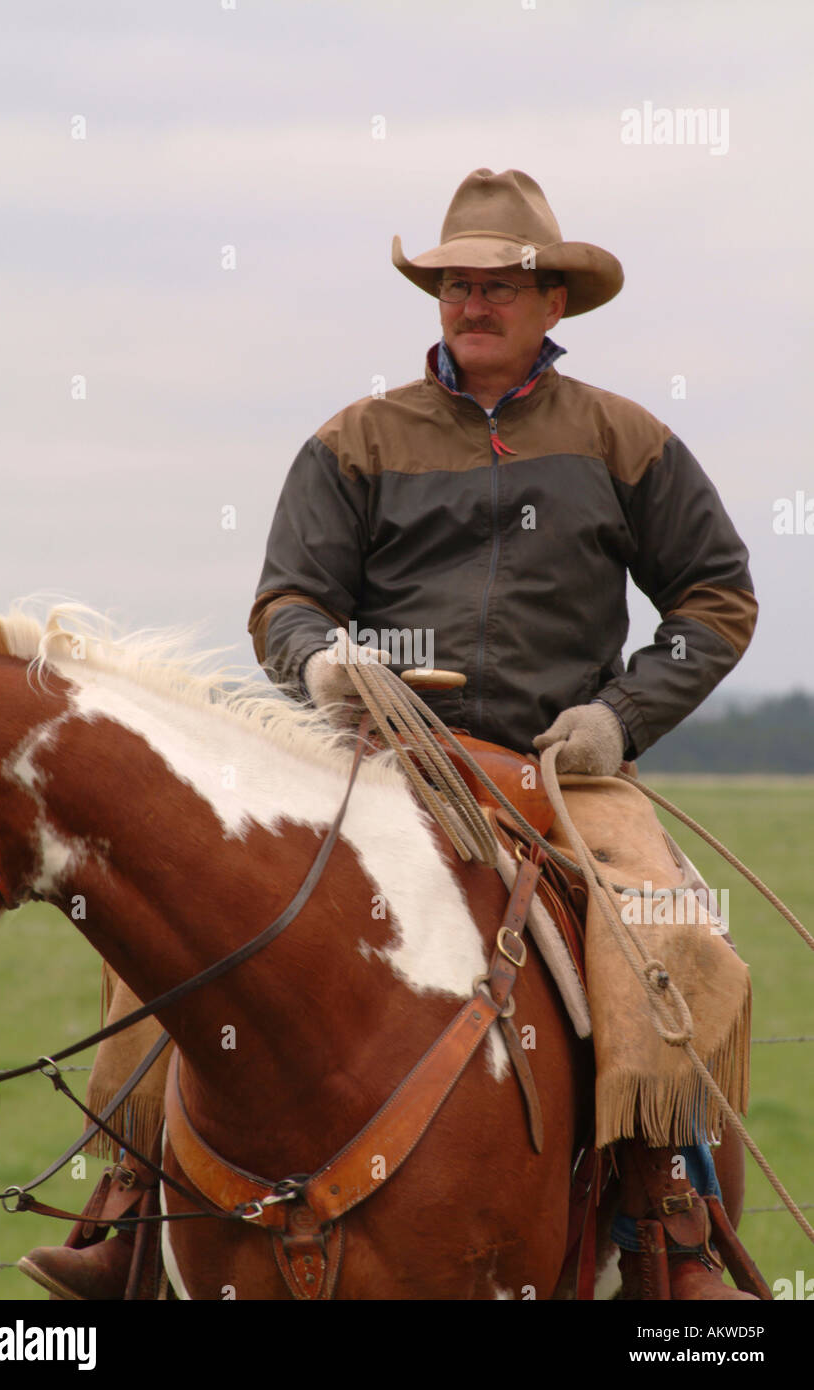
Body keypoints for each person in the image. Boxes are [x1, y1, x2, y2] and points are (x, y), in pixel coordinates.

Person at [248, 168, 762, 1300]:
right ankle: (128, 1217)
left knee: (670, 936)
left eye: (496, 286)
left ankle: (670, 1232)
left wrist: (612, 720)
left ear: (551, 304)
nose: (470, 304)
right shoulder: (355, 440)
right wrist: (319, 661)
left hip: (560, 776)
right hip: (377, 764)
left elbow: (716, 598)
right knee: (201, 894)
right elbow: (285, 602)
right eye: (451, 285)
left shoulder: (623, 440)